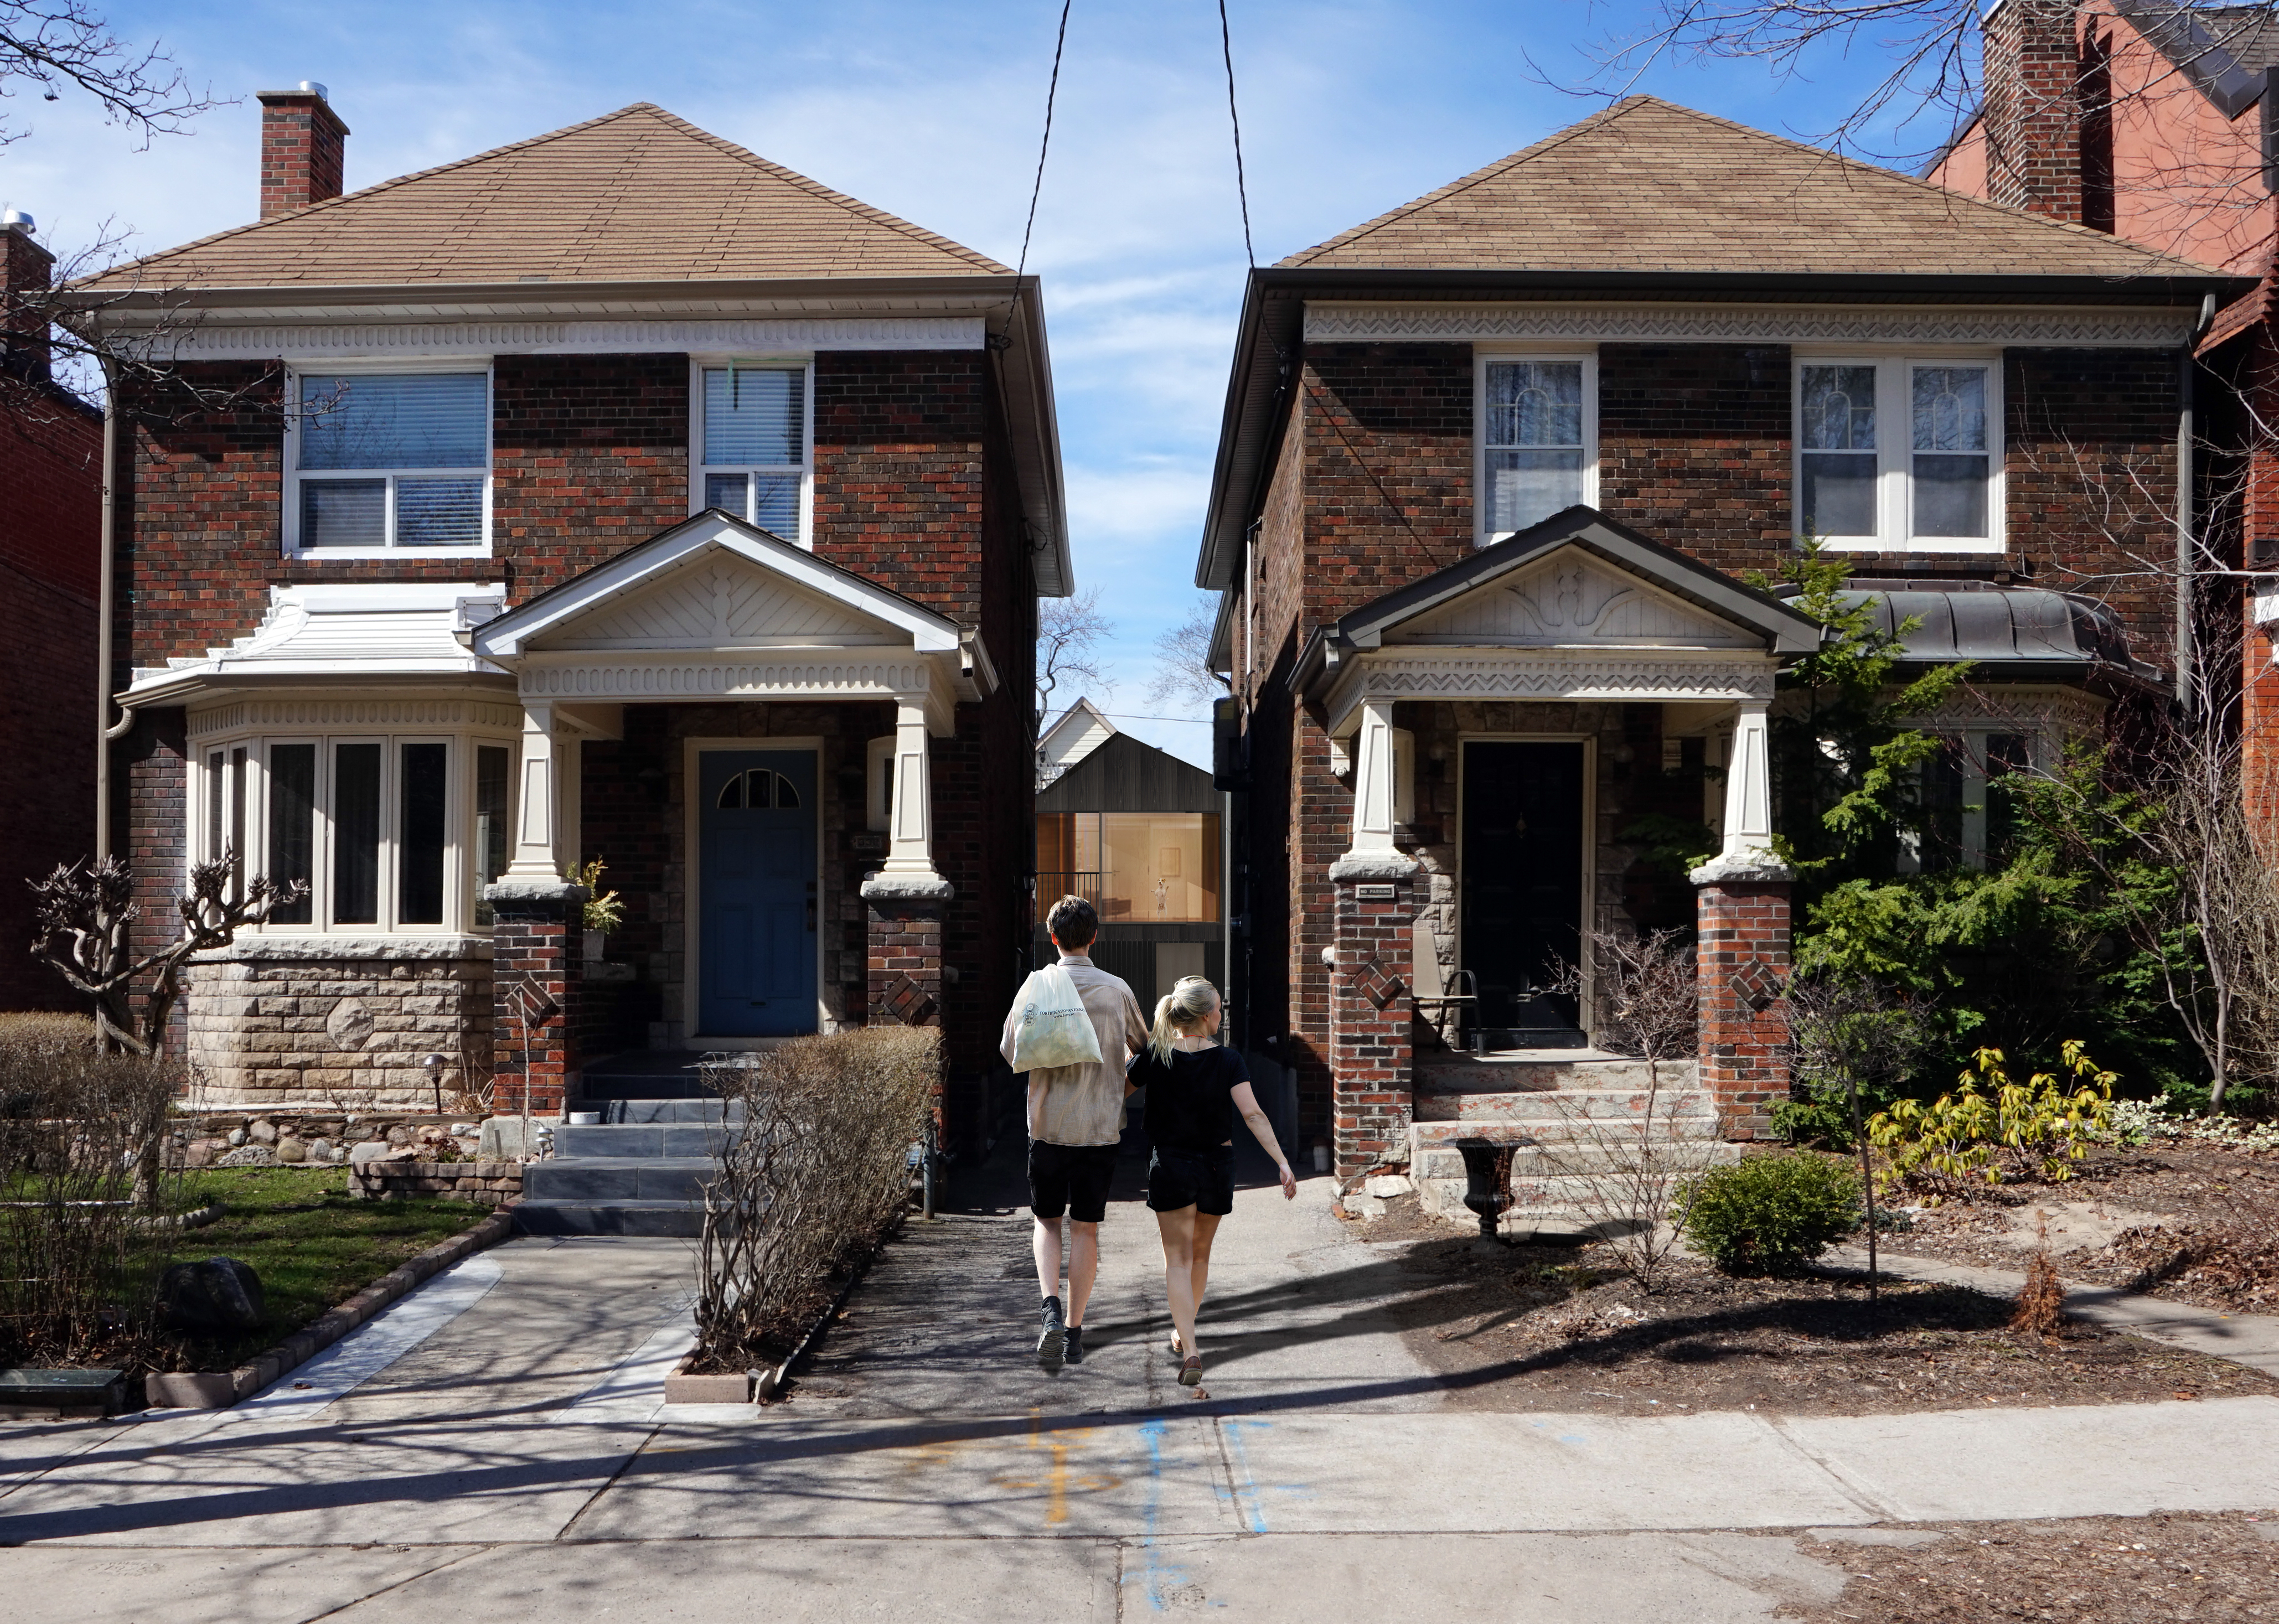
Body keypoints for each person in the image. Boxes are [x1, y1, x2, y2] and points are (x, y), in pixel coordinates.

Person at [999, 894, 1147, 1371]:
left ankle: (1049, 1311)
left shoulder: (1036, 986)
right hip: (1099, 1131)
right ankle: (1076, 1332)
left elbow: (1009, 1049)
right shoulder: (1115, 990)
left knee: (1046, 1221)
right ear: (1095, 937)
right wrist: (1116, 1089)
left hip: (1046, 1126)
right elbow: (1146, 1052)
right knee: (1086, 1228)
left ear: (1053, 938)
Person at [1126, 975, 1295, 1388]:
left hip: (1171, 1165)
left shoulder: (1157, 1055)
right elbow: (1253, 1115)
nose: (1222, 1014)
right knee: (1199, 1258)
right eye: (1219, 1007)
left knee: (1177, 1261)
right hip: (1218, 1167)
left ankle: (1191, 1347)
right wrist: (1282, 1162)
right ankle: (1183, 1335)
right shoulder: (1228, 1060)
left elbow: (1117, 1092)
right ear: (1204, 1016)